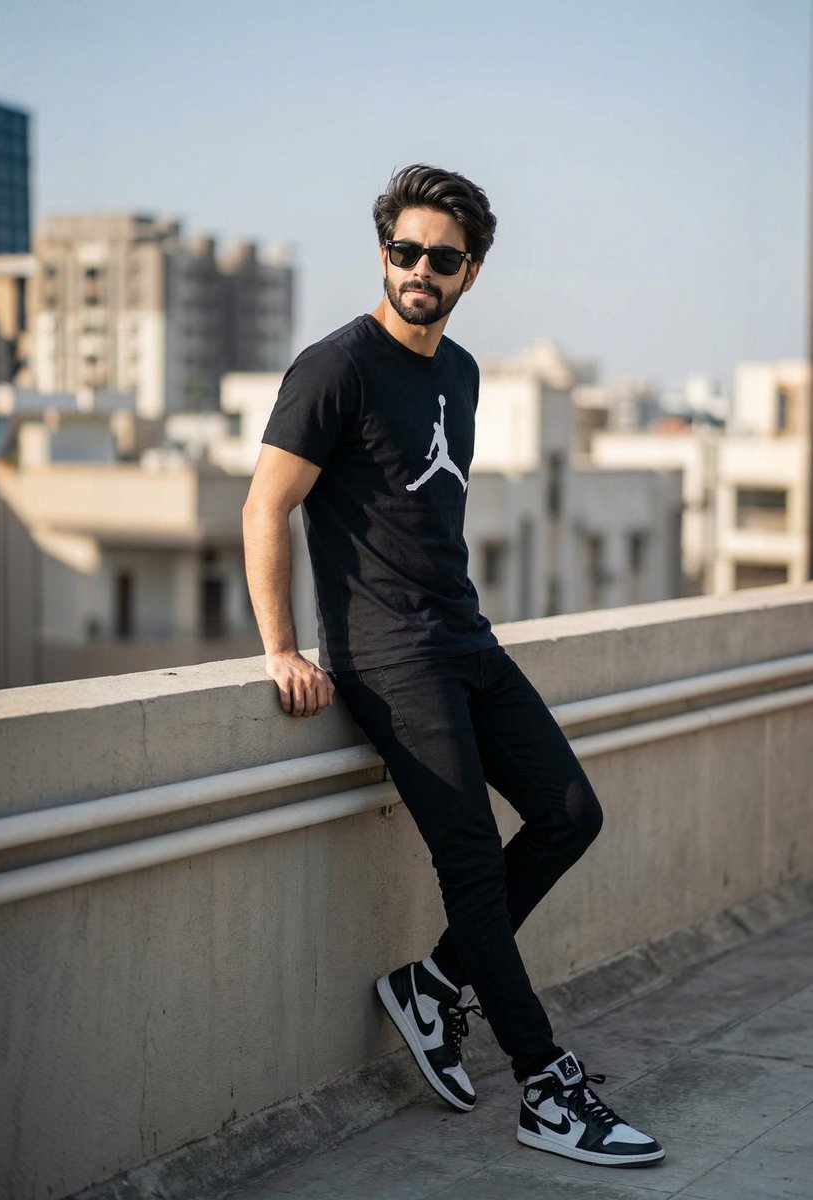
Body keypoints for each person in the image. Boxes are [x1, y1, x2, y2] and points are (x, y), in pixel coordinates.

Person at [242, 164, 664, 1167]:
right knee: (471, 862)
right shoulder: (334, 368)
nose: (419, 271)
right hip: (389, 659)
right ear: (382, 252)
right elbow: (265, 505)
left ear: (471, 271)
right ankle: (544, 1087)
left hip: (467, 638)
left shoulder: (461, 372)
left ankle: (430, 984)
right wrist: (281, 649)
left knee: (570, 814)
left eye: (441, 257)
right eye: (404, 251)